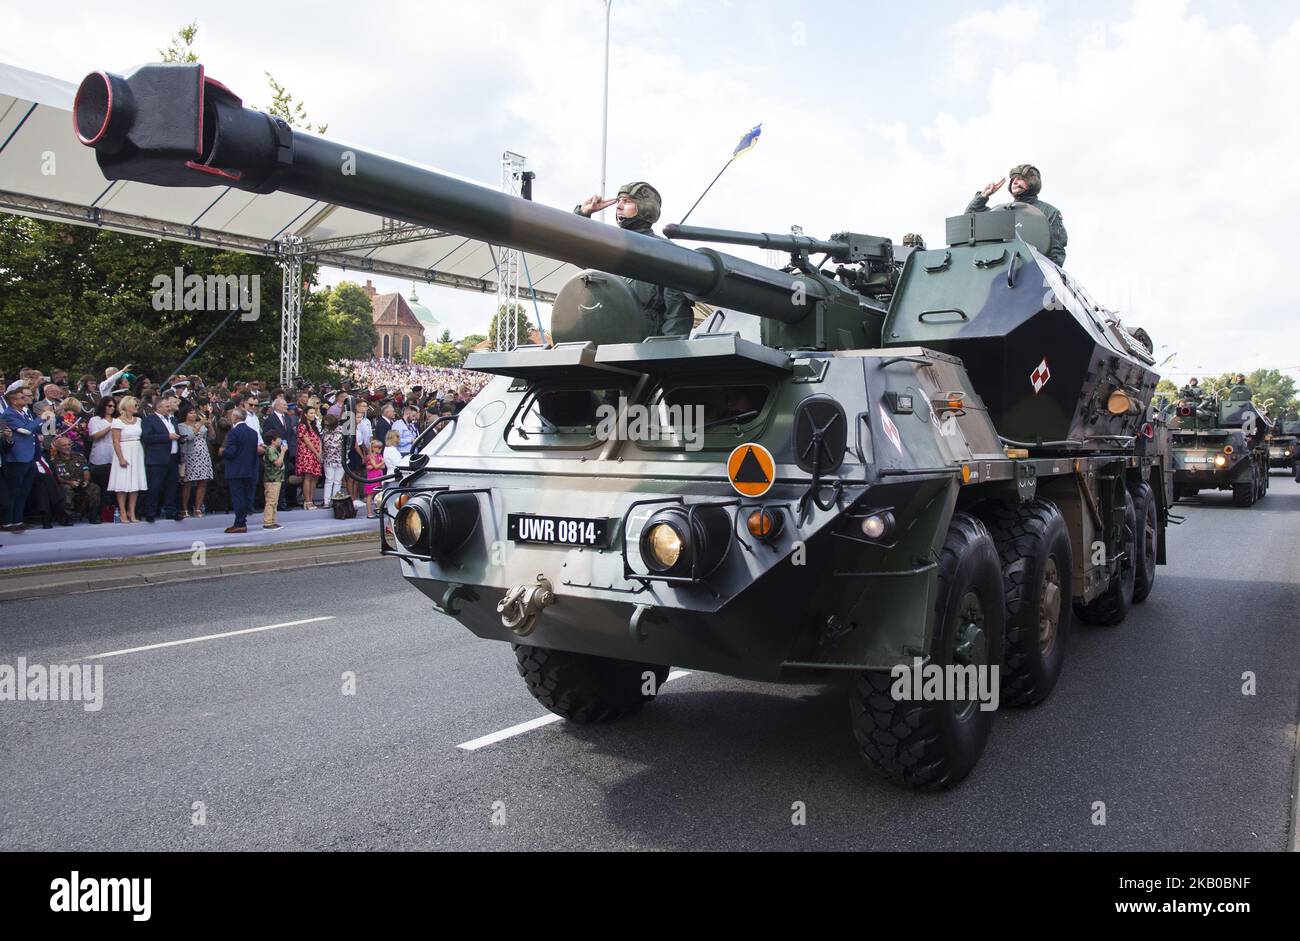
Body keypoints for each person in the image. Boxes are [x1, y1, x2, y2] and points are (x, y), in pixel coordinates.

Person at [574, 181, 696, 336]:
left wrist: (663, 354)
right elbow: (574, 250)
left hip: (644, 347)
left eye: (627, 201)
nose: (619, 206)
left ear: (645, 207)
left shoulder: (665, 252)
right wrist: (582, 214)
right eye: (618, 201)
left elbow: (677, 313)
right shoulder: (608, 245)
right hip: (604, 341)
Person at [965, 164, 1068, 267]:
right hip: (1000, 269)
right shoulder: (1003, 211)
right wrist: (983, 196)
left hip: (1032, 271)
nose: (1014, 182)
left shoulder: (1048, 212)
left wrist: (1043, 274)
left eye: (1020, 179)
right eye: (1013, 180)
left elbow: (1056, 253)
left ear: (1032, 182)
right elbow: (969, 219)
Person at [3, 386, 44, 533]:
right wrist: (40, 418)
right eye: (22, 397)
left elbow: (41, 430)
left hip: (30, 456)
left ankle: (18, 520)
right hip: (16, 458)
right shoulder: (8, 414)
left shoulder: (26, 413)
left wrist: (50, 419)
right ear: (13, 400)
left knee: (24, 491)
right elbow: (25, 431)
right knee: (14, 491)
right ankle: (7, 521)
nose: (26, 399)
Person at [140, 392, 182, 522]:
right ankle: (150, 512)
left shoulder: (172, 420)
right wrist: (167, 437)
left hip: (173, 457)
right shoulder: (149, 420)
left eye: (169, 406)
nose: (169, 408)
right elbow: (147, 438)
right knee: (155, 486)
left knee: (172, 486)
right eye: (166, 406)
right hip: (157, 458)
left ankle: (171, 511)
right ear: (158, 407)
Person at [108, 395, 148, 524]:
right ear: (127, 406)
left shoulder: (139, 420)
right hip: (124, 449)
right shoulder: (117, 421)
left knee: (135, 483)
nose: (137, 407)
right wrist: (121, 458)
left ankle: (132, 511)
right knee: (122, 483)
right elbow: (115, 441)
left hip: (137, 450)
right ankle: (122, 511)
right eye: (135, 405)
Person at [219, 407, 260, 533]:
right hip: (249, 469)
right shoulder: (253, 432)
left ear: (235, 417)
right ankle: (242, 521)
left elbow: (231, 452)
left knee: (238, 497)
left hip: (236, 470)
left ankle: (240, 523)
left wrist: (223, 452)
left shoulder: (233, 432)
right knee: (245, 497)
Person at [51, 436, 101, 523]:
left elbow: (86, 471)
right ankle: (66, 517)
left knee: (94, 487)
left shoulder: (79, 456)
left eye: (69, 445)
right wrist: (69, 482)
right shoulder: (54, 460)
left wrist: (86, 481)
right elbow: (56, 477)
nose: (67, 447)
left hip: (80, 483)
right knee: (66, 489)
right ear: (58, 447)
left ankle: (93, 515)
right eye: (64, 445)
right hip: (64, 483)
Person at [179, 402, 215, 519]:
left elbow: (212, 437)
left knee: (203, 481)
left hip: (203, 454)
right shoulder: (181, 426)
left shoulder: (202, 425)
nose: (194, 415)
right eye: (191, 413)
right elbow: (188, 437)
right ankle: (184, 508)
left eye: (194, 413)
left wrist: (209, 426)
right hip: (190, 455)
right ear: (185, 414)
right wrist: (199, 425)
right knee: (188, 482)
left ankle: (198, 507)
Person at [263, 394, 299, 511]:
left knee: (285, 477)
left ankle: (285, 502)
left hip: (286, 451)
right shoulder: (270, 420)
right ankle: (277, 503)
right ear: (277, 406)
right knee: (277, 478)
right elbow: (267, 436)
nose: (286, 407)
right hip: (275, 453)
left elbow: (289, 435)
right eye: (284, 405)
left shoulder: (287, 418)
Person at [86, 396, 117, 523]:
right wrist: (110, 427)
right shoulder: (95, 420)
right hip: (100, 456)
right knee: (99, 487)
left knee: (111, 489)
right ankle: (95, 514)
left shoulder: (117, 419)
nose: (112, 408)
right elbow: (95, 436)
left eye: (114, 406)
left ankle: (108, 514)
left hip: (114, 456)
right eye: (109, 406)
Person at [296, 405, 324, 510]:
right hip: (307, 454)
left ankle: (311, 500)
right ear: (305, 414)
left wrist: (320, 452)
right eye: (311, 413)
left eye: (314, 413)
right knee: (308, 477)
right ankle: (307, 501)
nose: (313, 415)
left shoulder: (314, 425)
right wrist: (316, 452)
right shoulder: (302, 426)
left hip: (316, 453)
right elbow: (307, 441)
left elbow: (319, 439)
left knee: (315, 477)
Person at [262, 429, 286, 530]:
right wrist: (283, 451)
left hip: (276, 479)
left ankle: (273, 521)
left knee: (274, 501)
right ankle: (267, 522)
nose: (280, 440)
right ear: (273, 441)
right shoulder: (271, 450)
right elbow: (277, 463)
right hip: (272, 479)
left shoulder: (273, 449)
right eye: (278, 439)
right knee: (271, 501)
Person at [321, 413, 344, 504]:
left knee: (338, 481)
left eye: (328, 424)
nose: (326, 426)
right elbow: (321, 444)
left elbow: (348, 444)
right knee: (329, 480)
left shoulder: (342, 431)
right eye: (325, 424)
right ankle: (326, 501)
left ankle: (335, 501)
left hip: (340, 459)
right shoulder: (324, 431)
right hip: (328, 459)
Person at [363, 437, 386, 519]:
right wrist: (381, 463)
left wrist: (378, 465)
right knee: (370, 495)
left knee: (379, 494)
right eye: (378, 447)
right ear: (373, 448)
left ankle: (379, 510)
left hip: (379, 476)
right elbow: (377, 466)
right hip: (372, 478)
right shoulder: (370, 456)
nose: (380, 449)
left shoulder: (379, 455)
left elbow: (383, 467)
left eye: (381, 447)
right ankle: (369, 512)